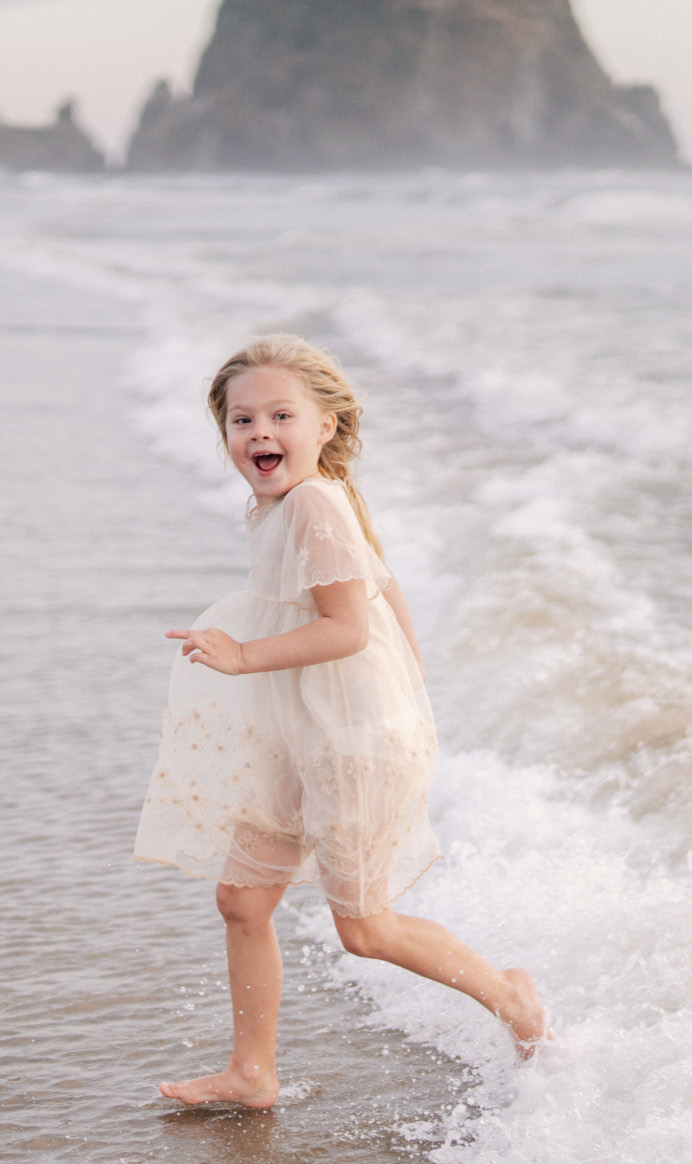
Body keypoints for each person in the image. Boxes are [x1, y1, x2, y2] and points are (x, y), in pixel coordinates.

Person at [136, 334, 549, 1109]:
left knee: (365, 928)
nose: (260, 432)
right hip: (309, 728)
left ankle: (513, 998)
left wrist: (244, 656)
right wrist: (411, 685)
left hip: (350, 740)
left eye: (281, 415)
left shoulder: (316, 503)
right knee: (243, 898)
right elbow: (387, 592)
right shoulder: (290, 502)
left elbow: (349, 629)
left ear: (326, 425)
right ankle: (253, 1072)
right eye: (242, 419)